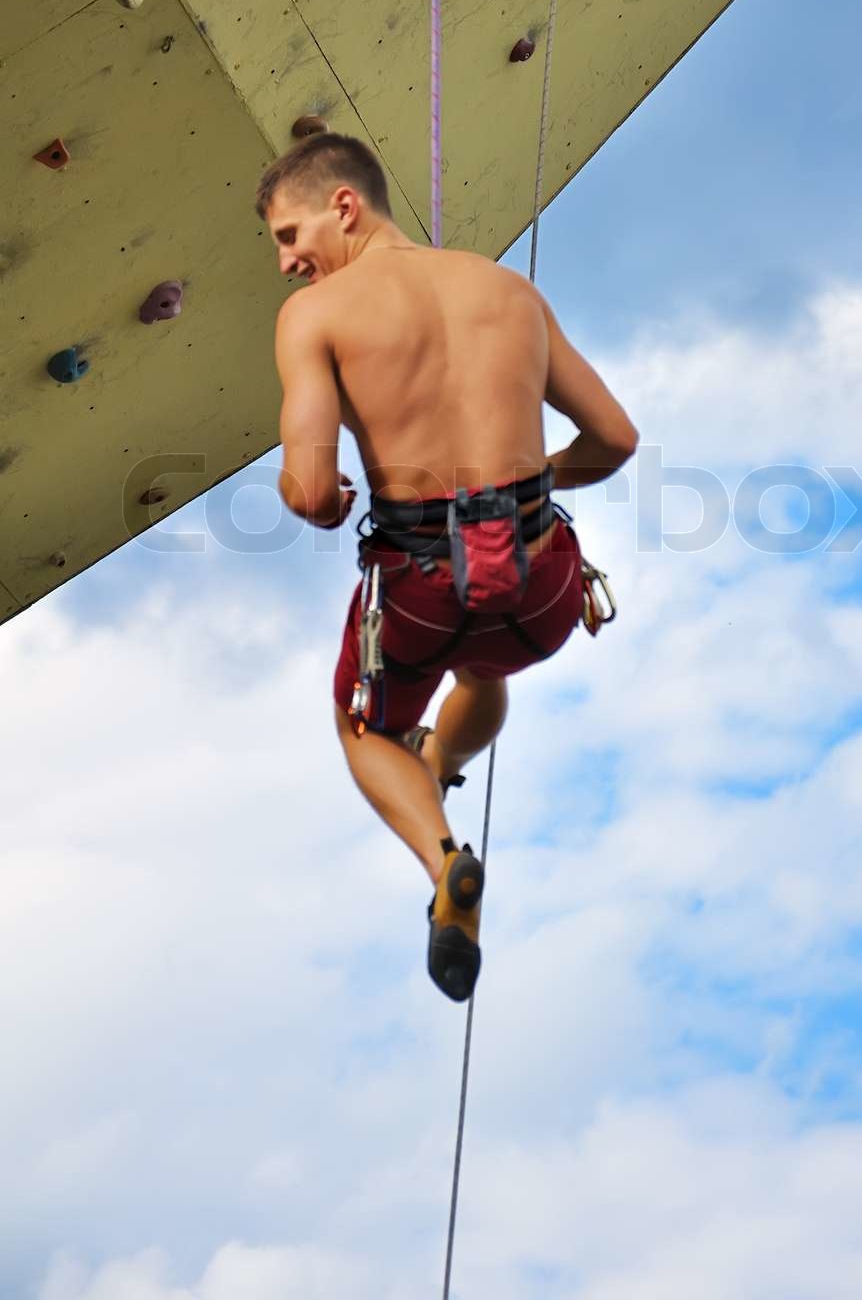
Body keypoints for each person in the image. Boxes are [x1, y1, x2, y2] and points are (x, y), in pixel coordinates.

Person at [257, 131, 638, 1001]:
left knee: (364, 730)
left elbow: (311, 489)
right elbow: (615, 439)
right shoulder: (509, 291)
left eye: (288, 236)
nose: (286, 264)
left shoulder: (315, 315)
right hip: (540, 588)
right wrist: (532, 482)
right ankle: (433, 771)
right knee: (482, 666)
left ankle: (443, 864)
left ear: (344, 206)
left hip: (422, 592)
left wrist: (310, 495)